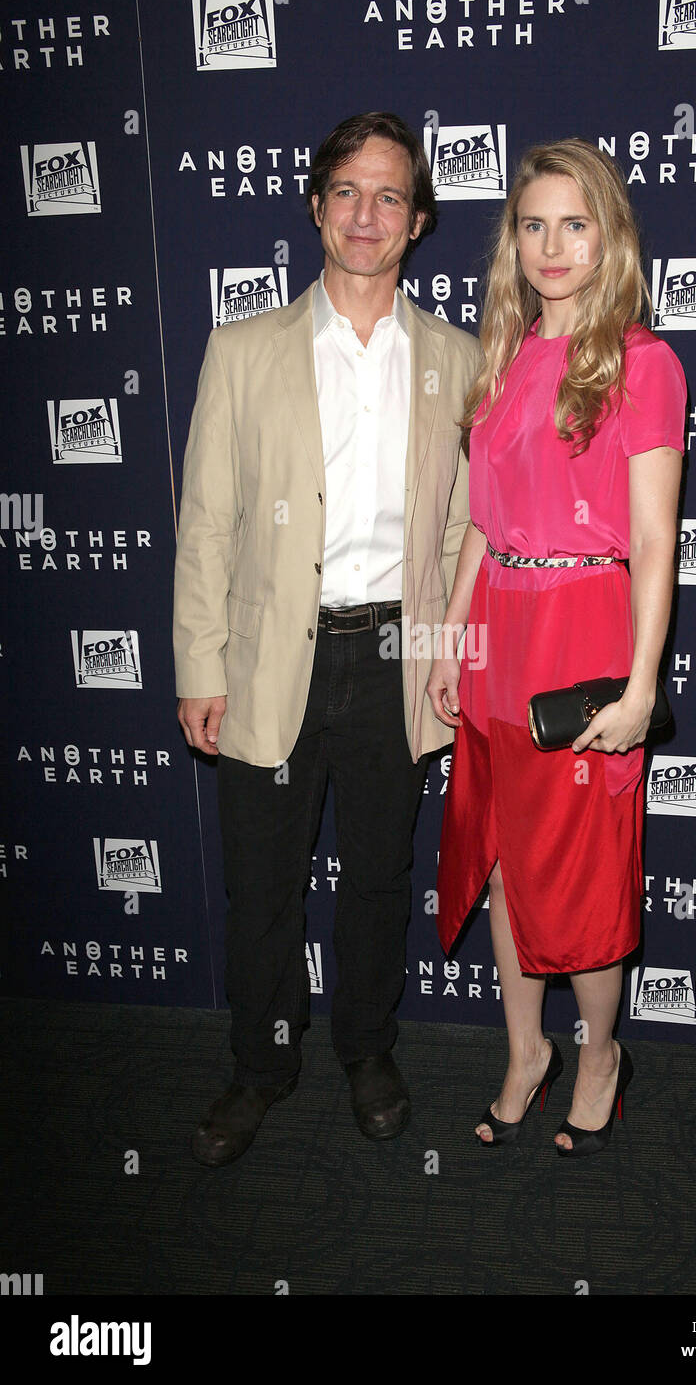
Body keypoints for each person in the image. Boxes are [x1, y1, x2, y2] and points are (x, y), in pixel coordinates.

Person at [173, 111, 479, 1165]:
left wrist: (449, 651)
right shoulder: (243, 348)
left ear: (417, 220)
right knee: (260, 883)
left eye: (388, 195)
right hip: (269, 659)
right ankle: (260, 1065)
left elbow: (462, 527)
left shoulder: (456, 358)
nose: (365, 213)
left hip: (396, 659)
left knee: (380, 876)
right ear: (315, 205)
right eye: (346, 190)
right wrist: (198, 664)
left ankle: (365, 1049)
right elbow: (207, 517)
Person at [426, 139, 686, 1156]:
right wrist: (450, 642)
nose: (550, 244)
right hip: (499, 629)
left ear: (607, 235)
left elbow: (657, 539)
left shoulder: (642, 362)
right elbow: (482, 524)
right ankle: (524, 1052)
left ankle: (597, 1053)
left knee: (577, 873)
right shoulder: (502, 357)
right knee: (503, 865)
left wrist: (638, 683)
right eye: (531, 224)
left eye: (572, 223)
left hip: (582, 634)